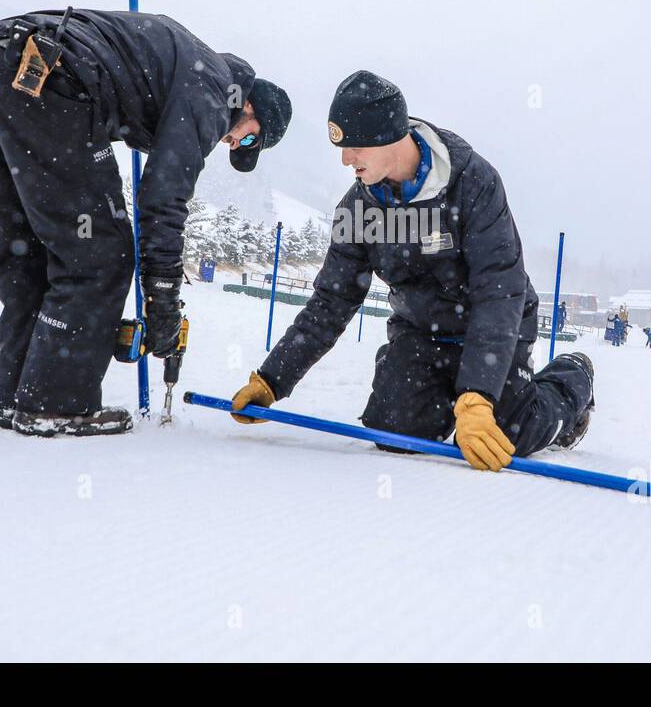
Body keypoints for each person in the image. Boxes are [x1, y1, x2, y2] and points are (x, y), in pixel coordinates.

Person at [230, 71, 594, 471]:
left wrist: (477, 395)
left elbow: (499, 290)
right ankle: (448, 396)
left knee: (504, 435)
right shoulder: (358, 210)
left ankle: (571, 379)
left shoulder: (473, 183)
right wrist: (272, 380)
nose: (345, 159)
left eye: (354, 147)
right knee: (395, 433)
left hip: (492, 324)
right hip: (421, 329)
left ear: (388, 136)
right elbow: (332, 301)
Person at [0, 7, 291, 436]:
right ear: (249, 103)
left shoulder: (188, 67)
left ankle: (19, 398)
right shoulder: (215, 88)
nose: (233, 141)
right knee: (101, 252)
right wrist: (163, 301)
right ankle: (55, 405)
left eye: (244, 146)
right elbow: (162, 200)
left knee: (27, 249)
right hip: (54, 77)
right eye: (248, 136)